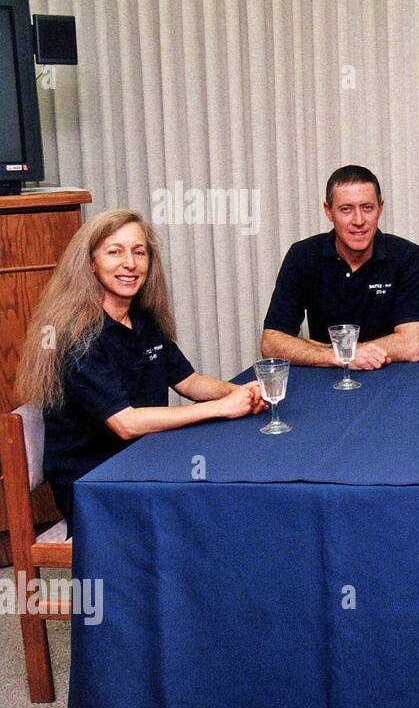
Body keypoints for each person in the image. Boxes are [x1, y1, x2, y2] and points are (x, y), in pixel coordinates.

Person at [16, 209, 265, 535]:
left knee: (231, 482)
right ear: (91, 263)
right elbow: (126, 423)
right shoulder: (75, 336)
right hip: (95, 484)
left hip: (144, 459)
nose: (130, 263)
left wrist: (239, 392)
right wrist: (221, 408)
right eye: (114, 252)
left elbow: (189, 382)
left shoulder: (143, 321)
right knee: (212, 508)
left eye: (139, 252)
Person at [262, 165, 419, 368]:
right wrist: (340, 356)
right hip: (327, 378)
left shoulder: (406, 255)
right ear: (329, 211)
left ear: (380, 208)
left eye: (367, 208)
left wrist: (335, 350)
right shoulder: (303, 255)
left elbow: (410, 345)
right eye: (346, 209)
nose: (358, 221)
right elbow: (271, 343)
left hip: (392, 376)